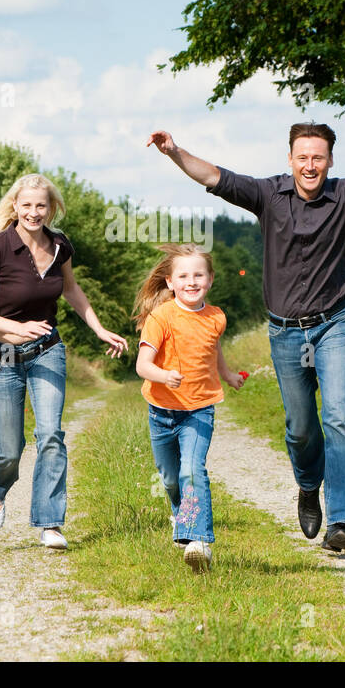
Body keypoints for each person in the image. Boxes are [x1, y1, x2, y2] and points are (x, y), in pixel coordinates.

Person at [146, 122, 345, 551]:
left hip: (335, 325)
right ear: (290, 159)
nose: (310, 165)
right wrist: (174, 152)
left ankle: (341, 522)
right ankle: (309, 485)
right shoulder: (268, 195)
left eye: (318, 157)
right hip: (286, 333)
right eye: (302, 156)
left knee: (338, 418)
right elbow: (214, 176)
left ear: (330, 161)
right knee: (299, 429)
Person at [0, 173, 129, 549]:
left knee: (51, 434)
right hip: (2, 357)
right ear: (15, 207)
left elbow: (71, 290)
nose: (34, 212)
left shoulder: (59, 245)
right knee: (10, 448)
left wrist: (99, 328)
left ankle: (50, 523)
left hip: (47, 351)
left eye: (41, 205)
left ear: (51, 209)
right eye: (27, 205)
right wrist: (15, 328)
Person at [133, 243, 245, 571]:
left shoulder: (216, 317)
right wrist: (163, 375)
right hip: (162, 410)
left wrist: (227, 375)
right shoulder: (161, 316)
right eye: (183, 276)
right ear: (170, 282)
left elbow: (212, 348)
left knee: (192, 470)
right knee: (170, 478)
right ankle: (183, 516)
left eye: (198, 275)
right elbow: (143, 365)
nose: (191, 281)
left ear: (210, 280)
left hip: (200, 409)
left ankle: (198, 541)